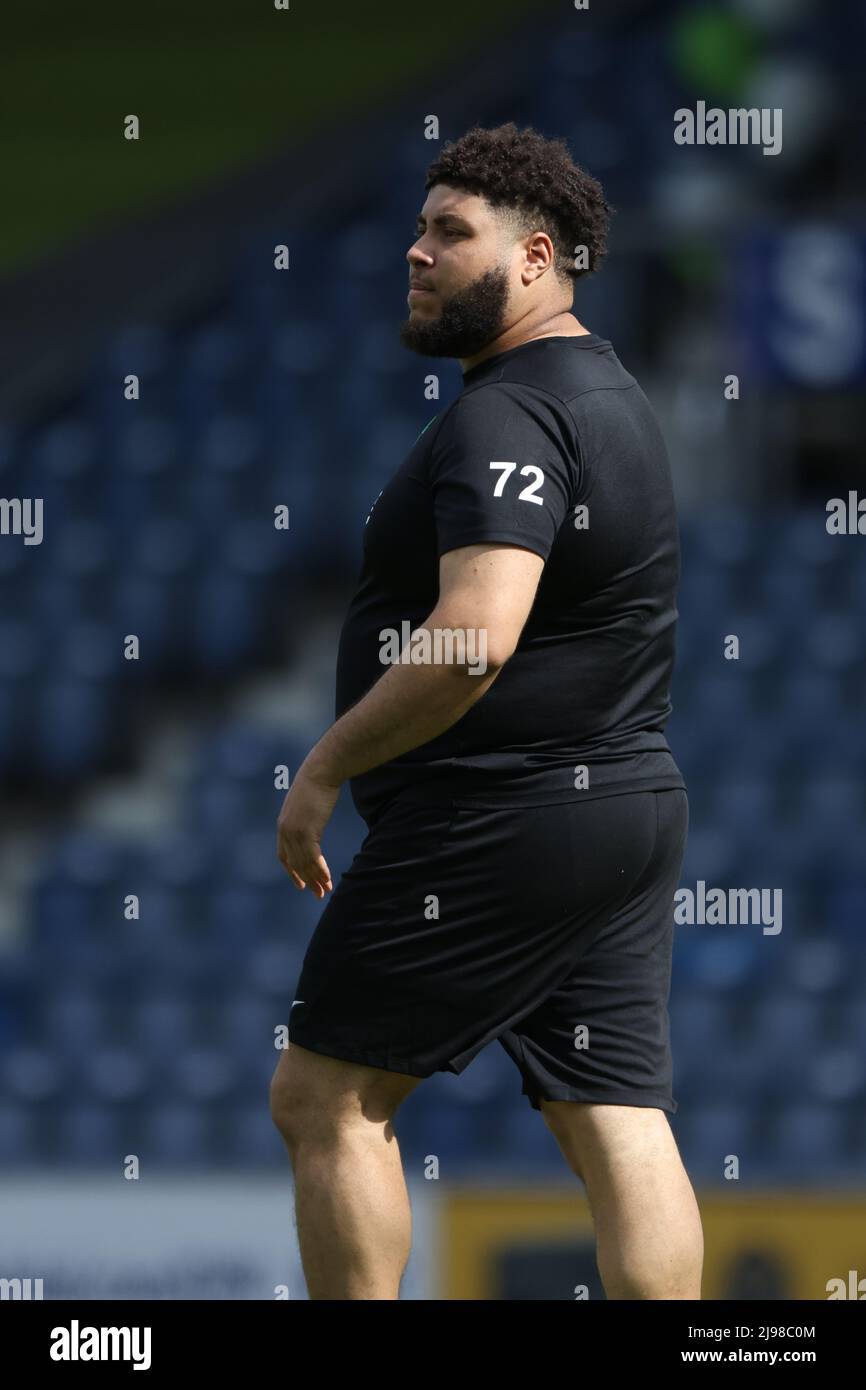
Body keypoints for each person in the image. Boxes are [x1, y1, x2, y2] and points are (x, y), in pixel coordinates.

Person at [270, 122, 703, 1300]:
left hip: (498, 815)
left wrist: (325, 764)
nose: (415, 253)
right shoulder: (611, 395)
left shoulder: (504, 413)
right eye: (418, 229)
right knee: (610, 1115)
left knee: (325, 1096)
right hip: (621, 808)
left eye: (450, 233)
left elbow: (474, 637)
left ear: (535, 258)